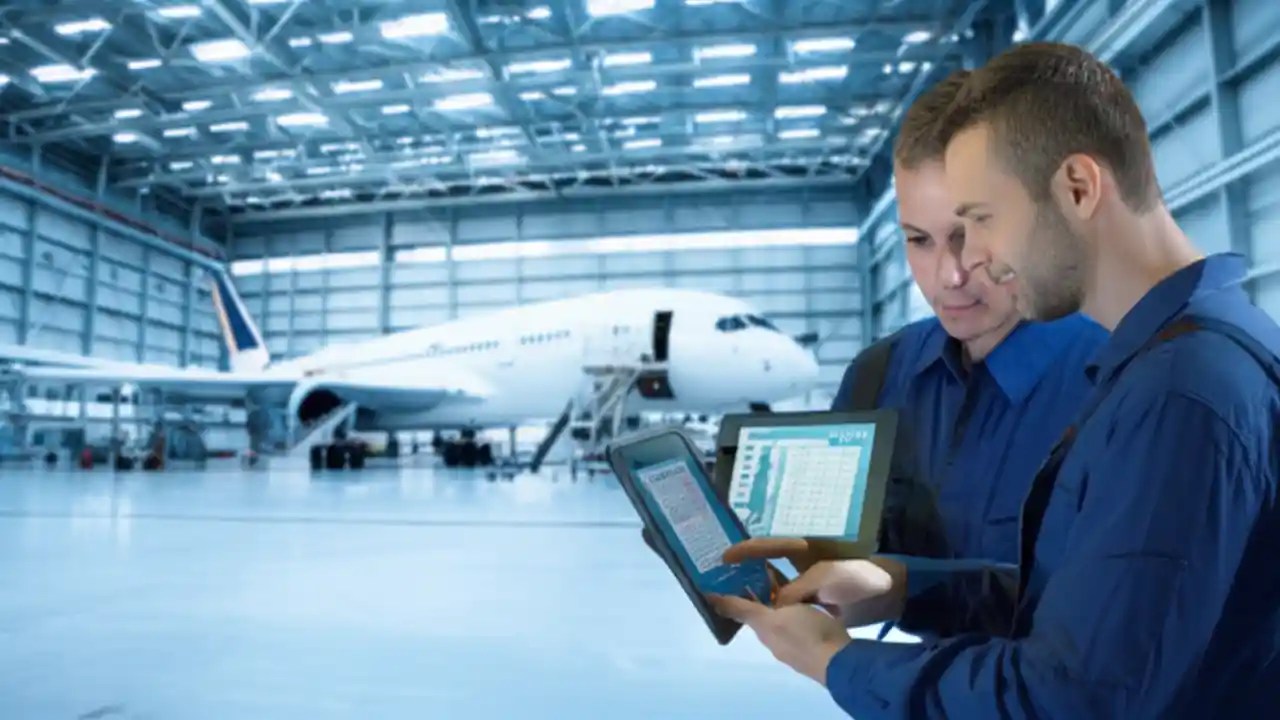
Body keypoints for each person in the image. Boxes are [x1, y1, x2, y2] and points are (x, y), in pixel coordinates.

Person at [712, 41, 1280, 719]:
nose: (967, 264)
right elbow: (1089, 602)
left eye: (980, 219)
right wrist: (901, 586)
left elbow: (1070, 698)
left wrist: (838, 662)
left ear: (1077, 189)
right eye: (922, 239)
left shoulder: (1180, 393)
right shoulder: (1172, 362)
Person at [829, 70, 1105, 636]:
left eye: (972, 230)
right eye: (918, 240)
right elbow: (829, 552)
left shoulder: (1119, 380)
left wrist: (902, 591)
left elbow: (1113, 623)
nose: (949, 276)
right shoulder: (878, 377)